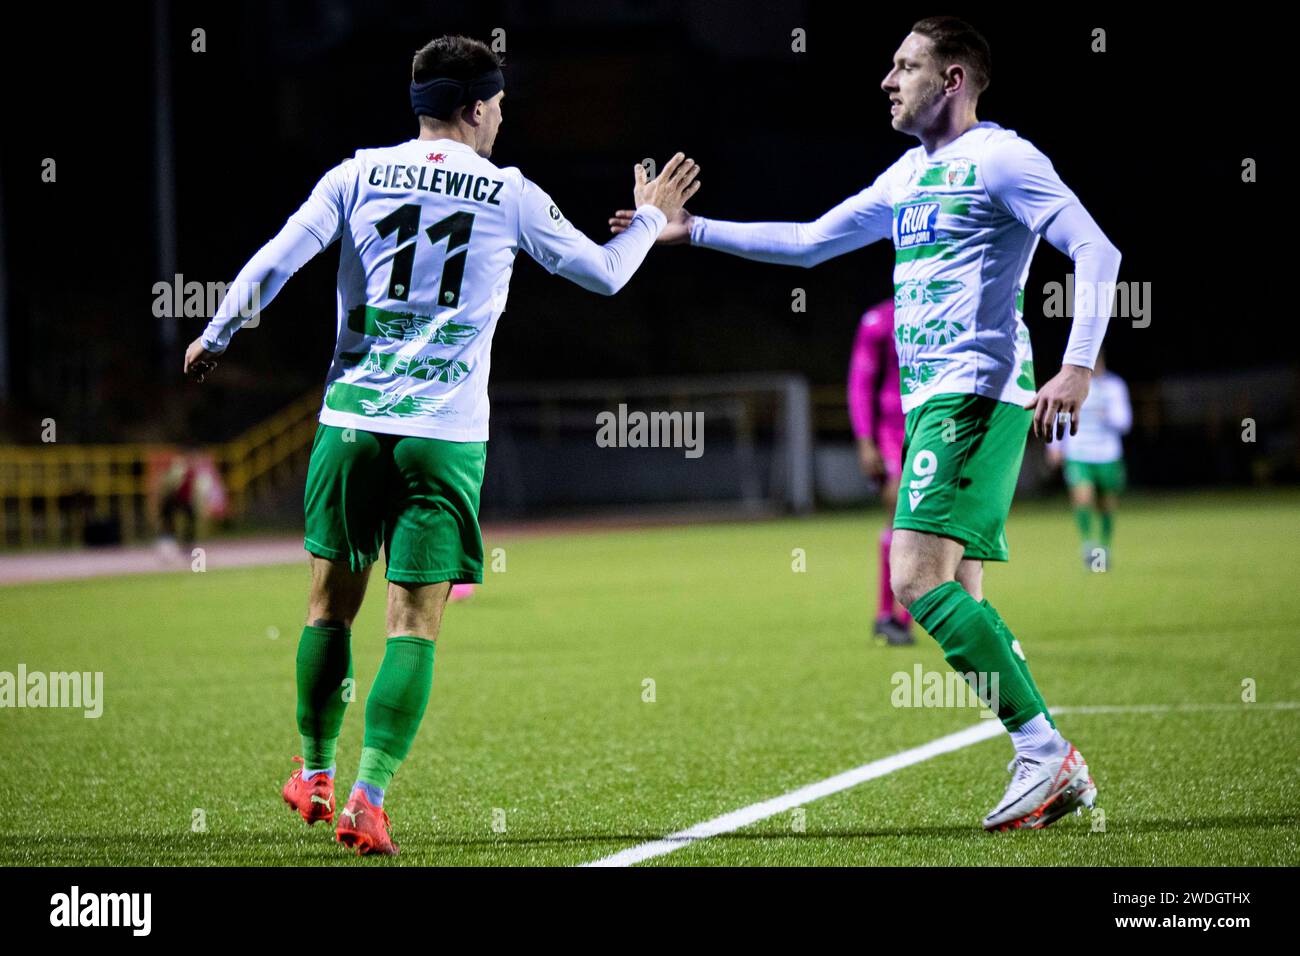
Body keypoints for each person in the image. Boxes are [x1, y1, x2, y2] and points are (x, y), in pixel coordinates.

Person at [184, 34, 700, 855]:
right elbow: (606, 274)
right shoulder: (509, 192)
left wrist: (215, 333)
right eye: (497, 106)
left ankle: (313, 771)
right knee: (413, 626)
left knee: (327, 609)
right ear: (474, 107)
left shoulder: (354, 174)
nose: (501, 119)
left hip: (351, 423)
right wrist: (650, 220)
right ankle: (369, 798)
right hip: (445, 438)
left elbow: (279, 258)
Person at [610, 16, 1121, 830]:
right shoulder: (907, 176)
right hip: (932, 404)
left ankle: (1046, 754)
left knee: (913, 579)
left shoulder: (1004, 158)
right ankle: (1039, 753)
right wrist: (691, 230)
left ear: (953, 80)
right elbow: (812, 242)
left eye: (906, 65)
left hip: (973, 394)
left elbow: (1097, 251)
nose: (888, 80)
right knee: (955, 591)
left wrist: (1080, 363)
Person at [847, 299, 912, 644]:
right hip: (893, 431)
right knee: (899, 507)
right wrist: (864, 440)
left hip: (939, 425)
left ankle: (906, 617)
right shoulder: (879, 319)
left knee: (933, 525)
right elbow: (860, 382)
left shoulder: (948, 308)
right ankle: (887, 615)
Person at [1046, 352, 1131, 570]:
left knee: (1106, 505)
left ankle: (1104, 549)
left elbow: (1125, 422)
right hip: (1079, 453)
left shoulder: (1114, 386)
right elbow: (1060, 416)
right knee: (1082, 497)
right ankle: (1088, 547)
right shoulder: (1071, 386)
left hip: (1107, 454)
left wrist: (1107, 415)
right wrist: (1055, 446)